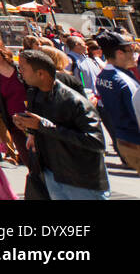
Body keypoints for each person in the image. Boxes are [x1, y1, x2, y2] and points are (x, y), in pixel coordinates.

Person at [14, 48, 109, 200]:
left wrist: (42, 126)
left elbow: (95, 141)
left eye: (23, 69)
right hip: (53, 174)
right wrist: (27, 126)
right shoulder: (36, 94)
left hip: (80, 180)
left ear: (41, 74)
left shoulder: (74, 101)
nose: (20, 73)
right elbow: (42, 128)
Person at [95, 29, 140, 172]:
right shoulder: (124, 81)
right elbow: (137, 114)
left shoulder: (102, 76)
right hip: (135, 140)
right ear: (120, 53)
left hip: (123, 139)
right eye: (130, 51)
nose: (134, 56)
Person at [0, 38, 29, 166]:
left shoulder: (19, 68)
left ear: (1, 50)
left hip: (32, 119)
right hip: (14, 122)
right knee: (27, 159)